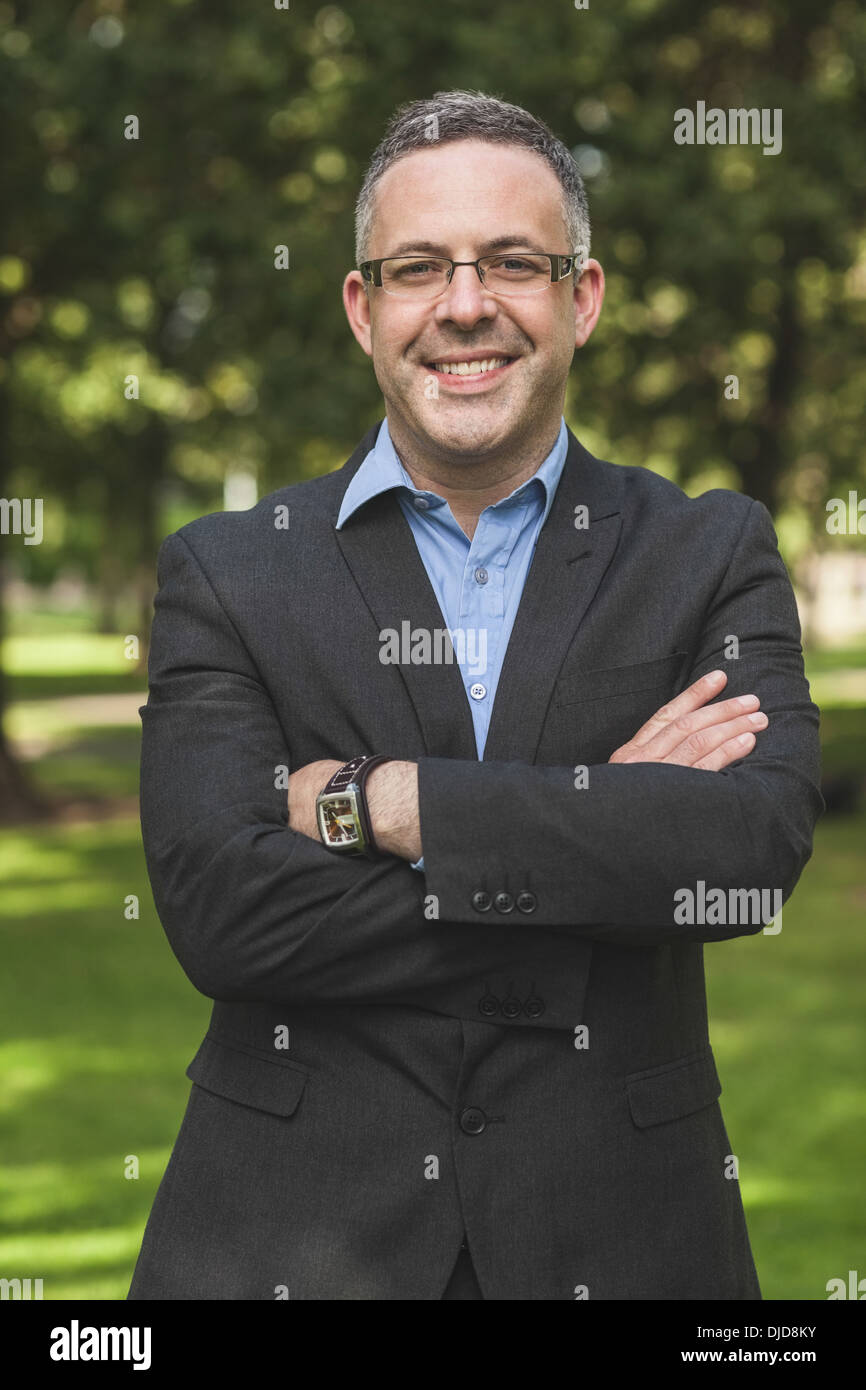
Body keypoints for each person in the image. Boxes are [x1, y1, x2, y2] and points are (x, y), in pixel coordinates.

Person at [127, 90, 822, 1301]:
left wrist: (386, 802)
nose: (463, 306)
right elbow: (225, 916)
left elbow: (745, 854)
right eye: (417, 268)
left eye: (509, 261)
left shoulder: (707, 551)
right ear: (363, 307)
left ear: (579, 297)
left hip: (624, 1237)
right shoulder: (228, 571)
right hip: (286, 1239)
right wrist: (603, 825)